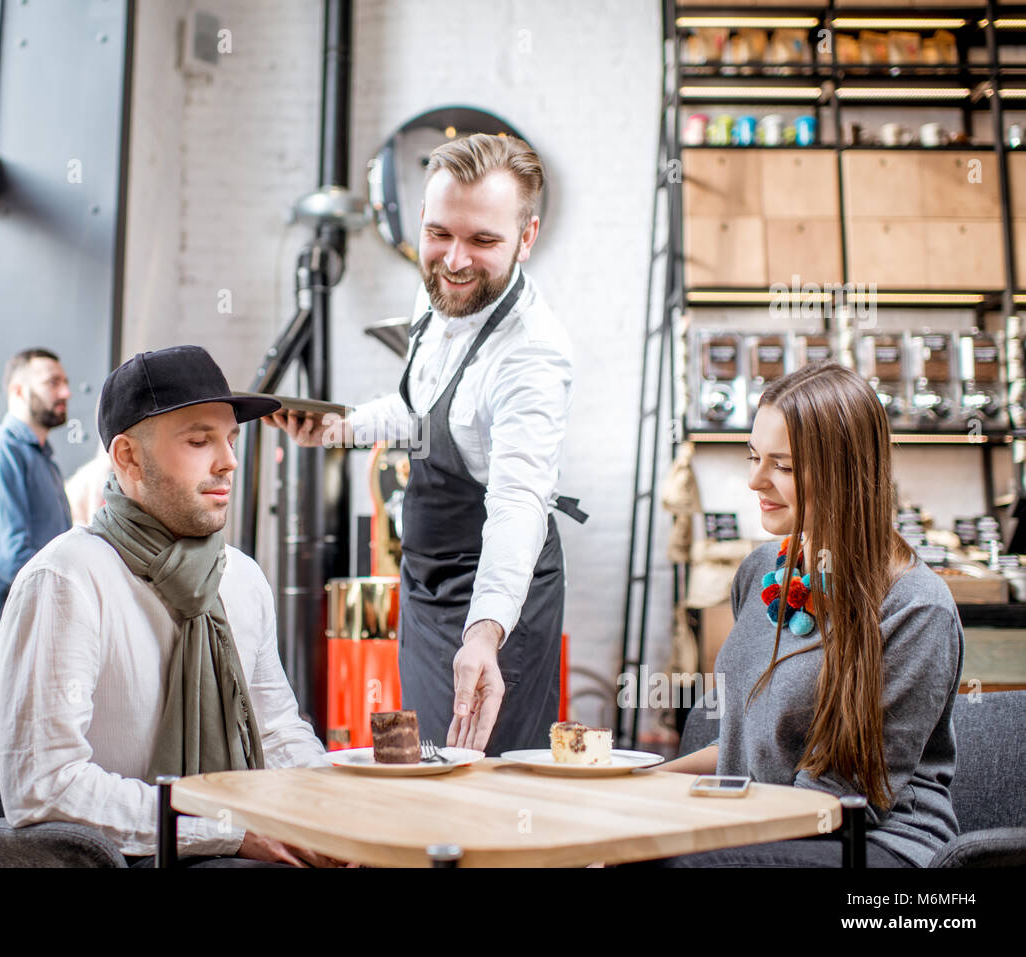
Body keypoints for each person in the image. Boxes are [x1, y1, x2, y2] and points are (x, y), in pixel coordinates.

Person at [270, 133, 576, 755]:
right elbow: (422, 415)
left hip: (499, 596)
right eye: (440, 233)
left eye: (483, 240)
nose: (455, 260)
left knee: (490, 789)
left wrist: (485, 636)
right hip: (425, 582)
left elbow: (518, 502)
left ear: (527, 236)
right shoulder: (438, 289)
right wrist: (346, 426)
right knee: (426, 767)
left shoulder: (533, 356)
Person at [0, 345, 341, 867]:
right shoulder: (65, 579)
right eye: (200, 440)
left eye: (230, 439)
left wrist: (334, 813)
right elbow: (45, 784)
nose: (227, 461)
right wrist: (221, 830)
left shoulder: (241, 577)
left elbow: (277, 731)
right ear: (128, 457)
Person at [650, 362, 962, 867]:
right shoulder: (759, 572)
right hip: (770, 823)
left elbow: (839, 797)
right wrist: (639, 785)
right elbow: (745, 752)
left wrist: (693, 831)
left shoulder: (916, 607)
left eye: (784, 466)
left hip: (874, 845)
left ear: (848, 471)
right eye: (754, 457)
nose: (755, 480)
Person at [0, 348, 73, 653]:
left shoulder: (45, 458)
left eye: (65, 382)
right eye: (52, 383)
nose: (66, 392)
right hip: (15, 639)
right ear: (17, 390)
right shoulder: (0, 452)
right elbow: (11, 558)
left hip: (47, 630)